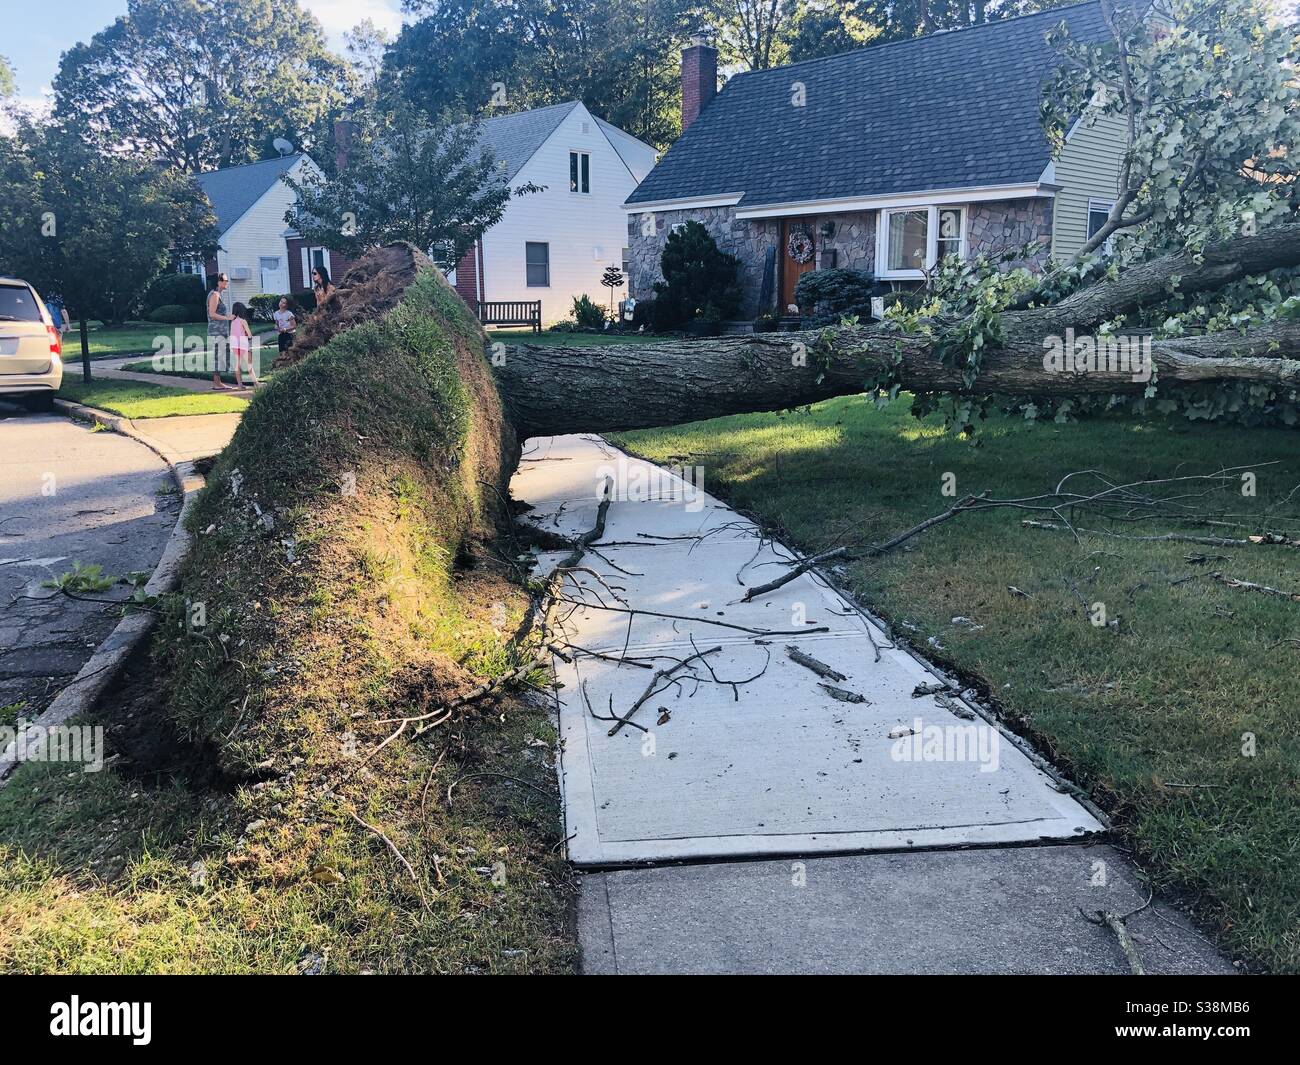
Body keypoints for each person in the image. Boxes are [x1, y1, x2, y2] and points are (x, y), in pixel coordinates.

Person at [206, 273, 236, 390]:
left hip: (221, 331)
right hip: (216, 331)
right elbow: (212, 314)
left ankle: (218, 382)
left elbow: (218, 313)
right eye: (225, 280)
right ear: (219, 282)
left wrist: (227, 316)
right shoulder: (214, 295)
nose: (227, 282)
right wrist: (227, 318)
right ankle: (216, 383)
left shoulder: (218, 295)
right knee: (218, 356)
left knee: (221, 356)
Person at [229, 302, 258, 389]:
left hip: (234, 345)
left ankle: (240, 385)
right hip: (243, 345)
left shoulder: (232, 322)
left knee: (237, 365)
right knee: (249, 365)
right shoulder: (243, 321)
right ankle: (256, 384)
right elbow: (249, 335)